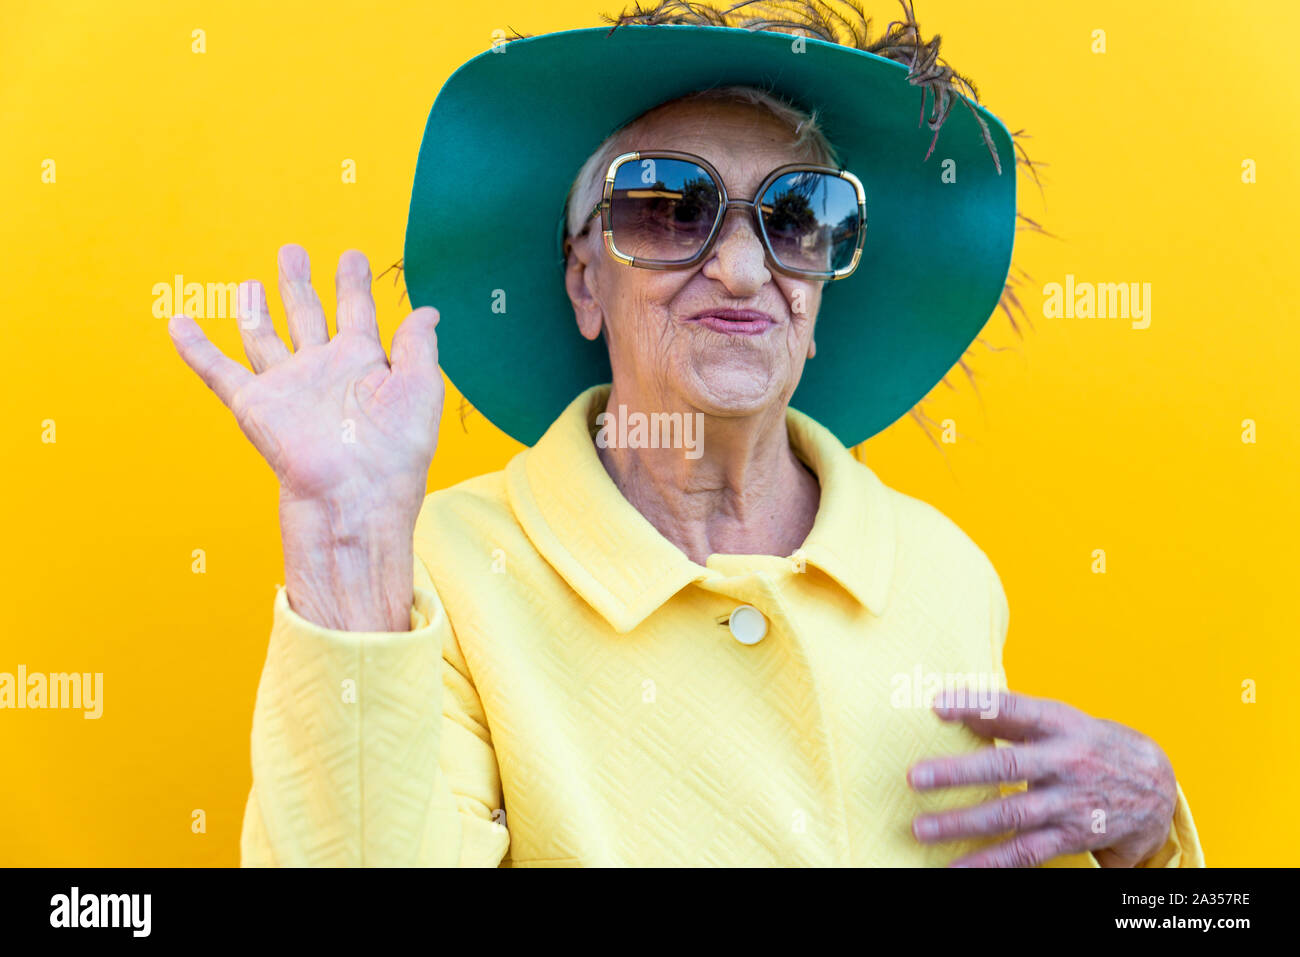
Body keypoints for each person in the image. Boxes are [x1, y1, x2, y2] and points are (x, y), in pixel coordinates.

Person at [168, 0, 1204, 866]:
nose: (745, 270)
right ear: (584, 278)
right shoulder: (441, 571)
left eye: (798, 217)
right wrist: (346, 543)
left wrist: (1150, 835)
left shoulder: (944, 573)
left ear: (823, 281)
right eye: (668, 209)